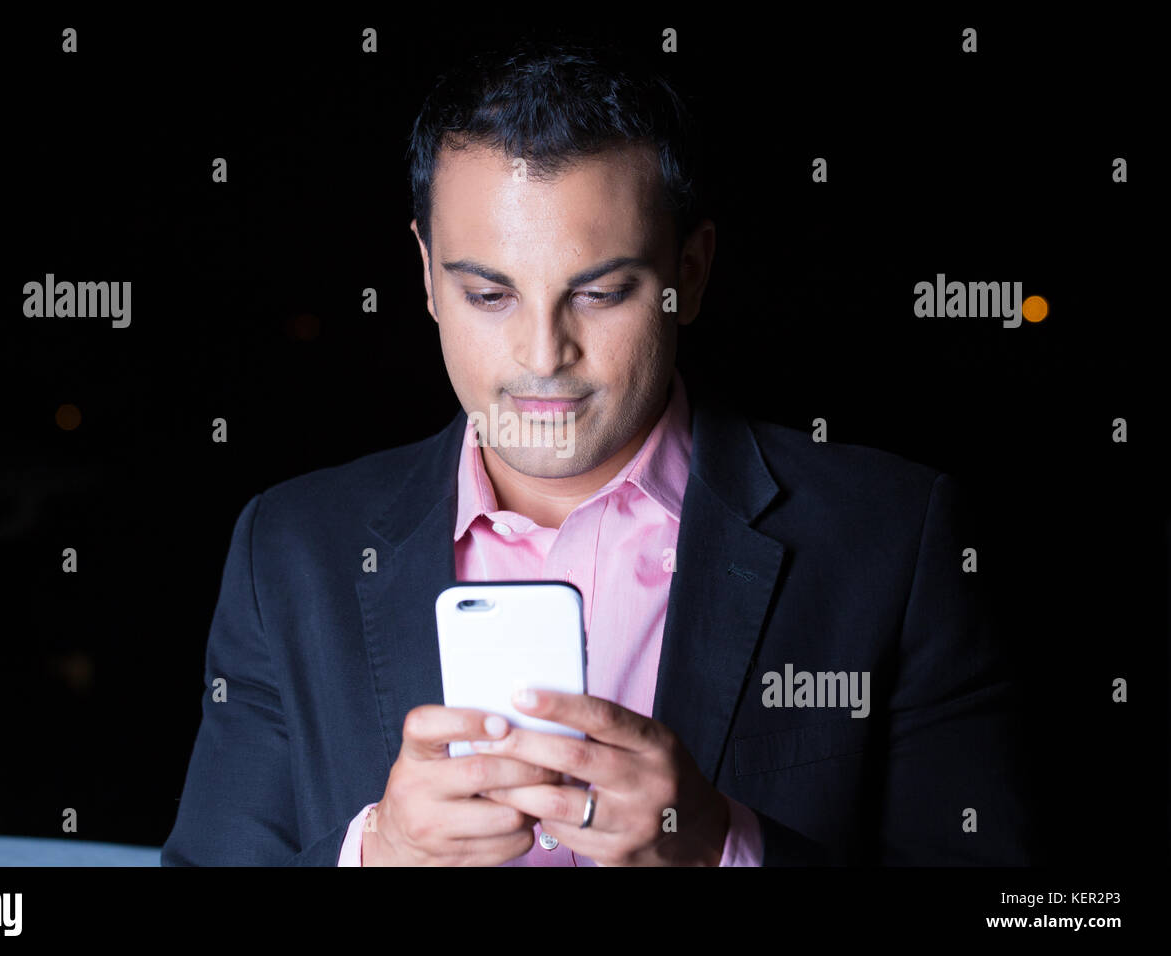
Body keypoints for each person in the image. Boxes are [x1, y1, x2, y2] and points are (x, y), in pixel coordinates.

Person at [162, 35, 1033, 866]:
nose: (544, 357)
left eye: (603, 292)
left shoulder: (892, 538)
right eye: (488, 294)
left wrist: (718, 850)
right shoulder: (288, 551)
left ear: (689, 274)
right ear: (427, 277)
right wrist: (379, 858)